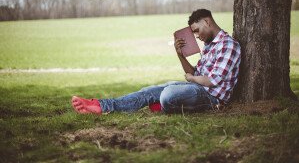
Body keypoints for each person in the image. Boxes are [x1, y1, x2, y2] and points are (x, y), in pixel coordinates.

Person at [71, 9, 241, 115]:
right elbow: (196, 74)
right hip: (196, 88)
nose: (197, 36)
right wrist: (180, 54)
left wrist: (191, 79)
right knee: (149, 90)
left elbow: (212, 81)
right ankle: (102, 106)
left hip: (212, 98)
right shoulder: (209, 46)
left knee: (168, 94)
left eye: (197, 31)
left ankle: (163, 104)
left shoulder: (228, 45)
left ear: (207, 21)